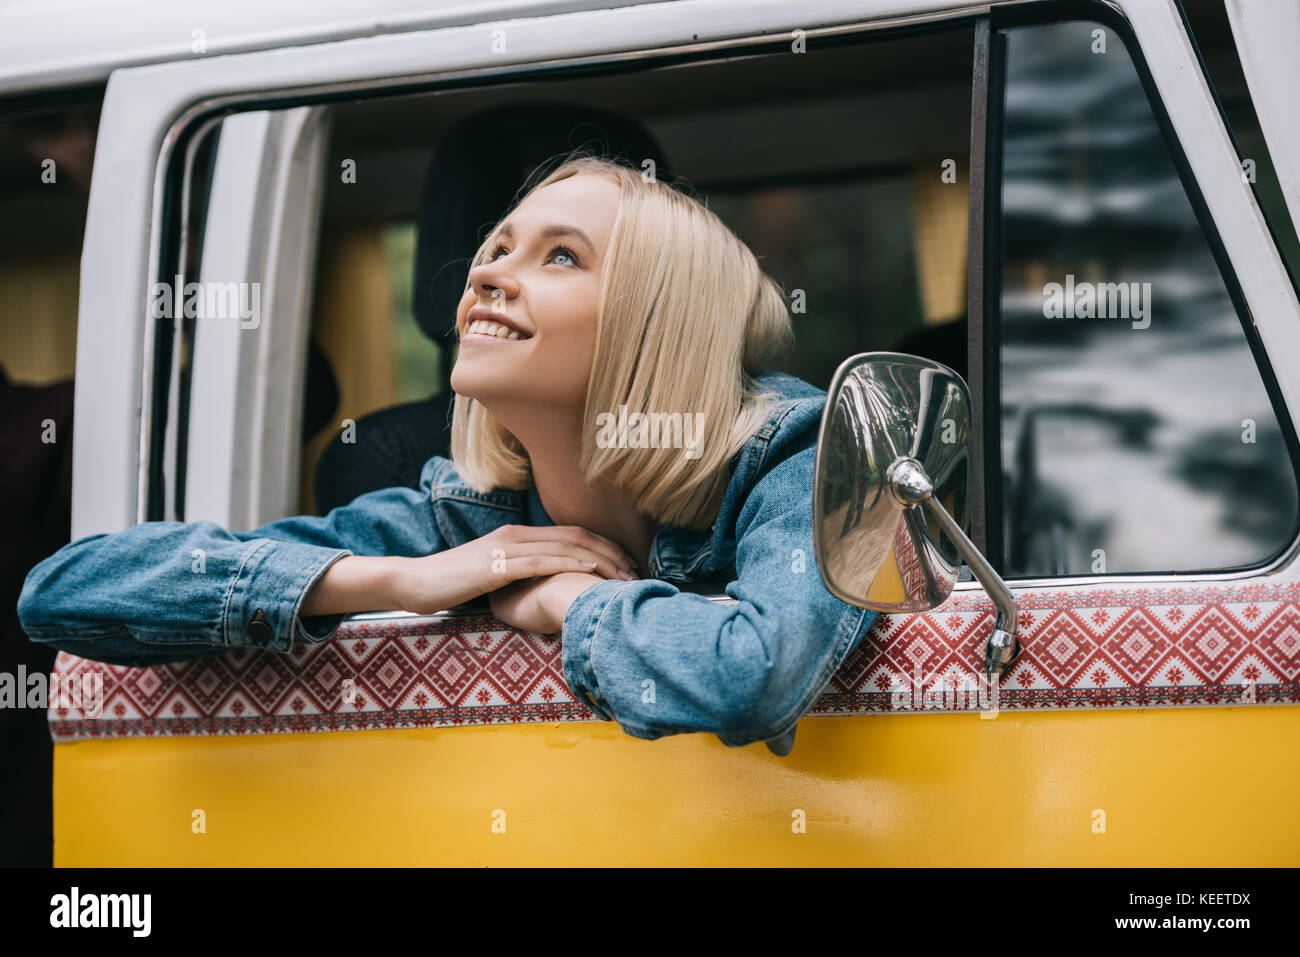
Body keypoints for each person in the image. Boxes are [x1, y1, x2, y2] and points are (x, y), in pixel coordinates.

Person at [17, 155, 879, 755]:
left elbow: (754, 674)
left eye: (561, 256)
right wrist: (402, 581)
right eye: (498, 247)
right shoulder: (469, 515)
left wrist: (571, 602)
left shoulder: (799, 451)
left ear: (657, 325)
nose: (487, 275)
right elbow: (67, 593)